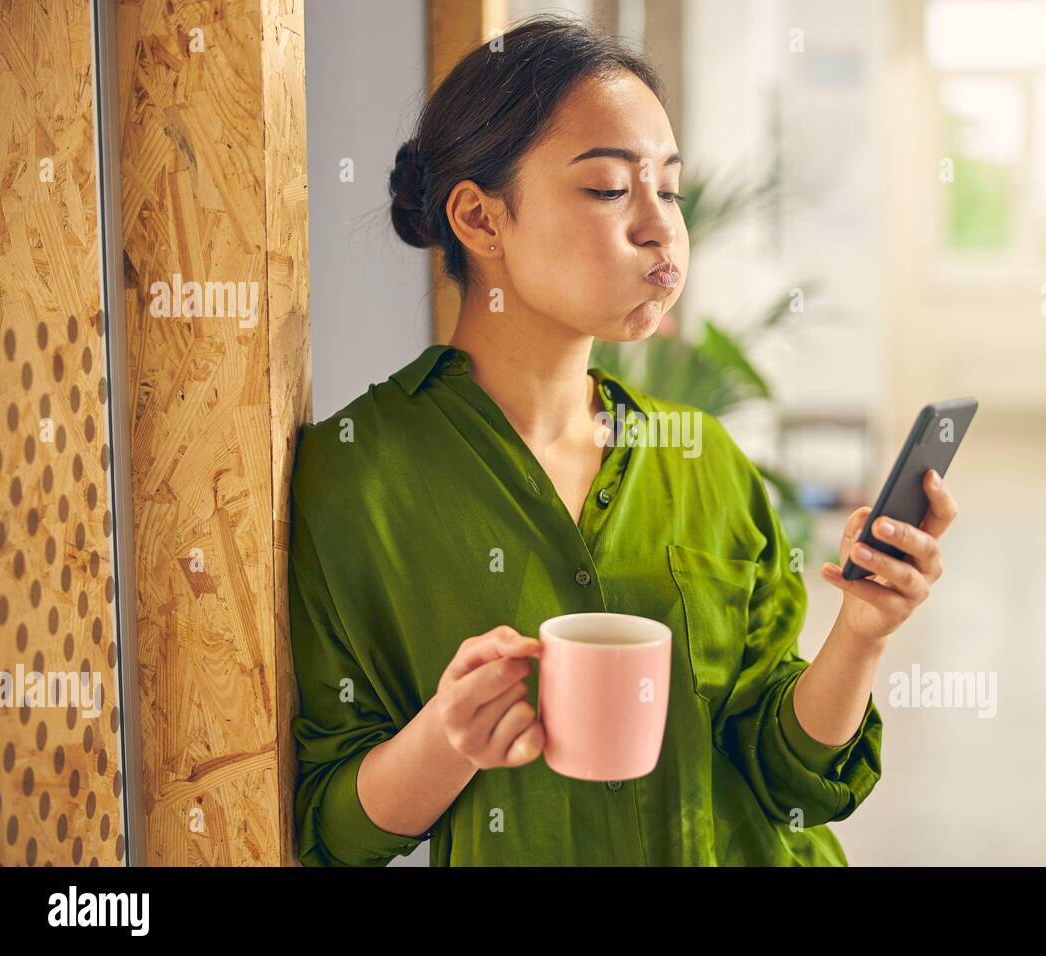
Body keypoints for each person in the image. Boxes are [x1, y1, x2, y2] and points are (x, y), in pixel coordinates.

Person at [288, 13, 959, 866]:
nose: (660, 227)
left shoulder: (705, 458)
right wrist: (447, 740)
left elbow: (789, 779)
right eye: (610, 189)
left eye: (669, 190)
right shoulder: (354, 476)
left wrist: (861, 631)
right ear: (480, 219)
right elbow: (330, 831)